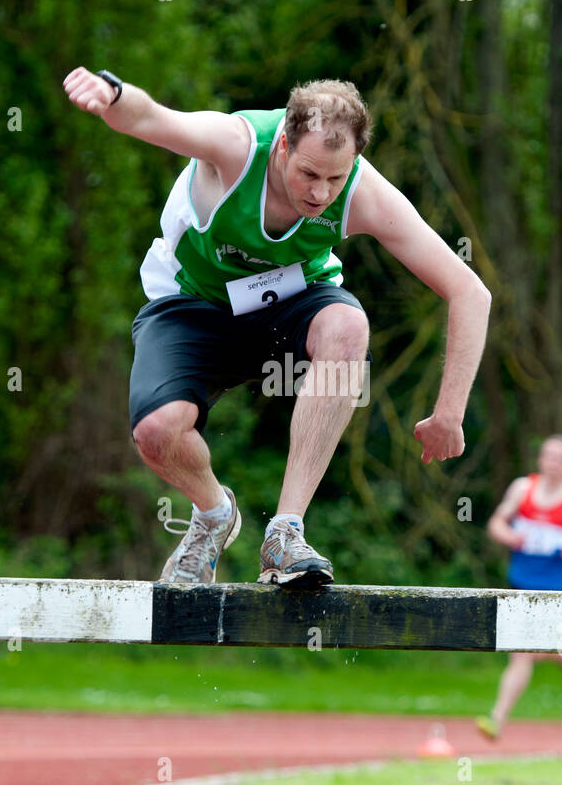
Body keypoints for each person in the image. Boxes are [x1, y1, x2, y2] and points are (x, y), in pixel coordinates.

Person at [62, 67, 492, 586]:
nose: (320, 195)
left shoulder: (362, 192)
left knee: (348, 327)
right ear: (284, 145)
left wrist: (449, 412)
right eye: (309, 174)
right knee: (155, 434)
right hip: (193, 305)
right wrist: (113, 92)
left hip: (290, 308)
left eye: (336, 178)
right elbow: (152, 118)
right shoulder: (235, 147)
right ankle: (215, 514)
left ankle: (285, 533)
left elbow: (469, 290)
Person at [476, 434, 562, 738]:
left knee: (535, 647)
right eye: (548, 457)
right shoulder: (522, 489)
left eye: (560, 459)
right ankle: (496, 720)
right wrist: (509, 536)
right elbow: (496, 522)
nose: (553, 464)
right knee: (521, 651)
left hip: (558, 588)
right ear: (540, 460)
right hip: (521, 583)